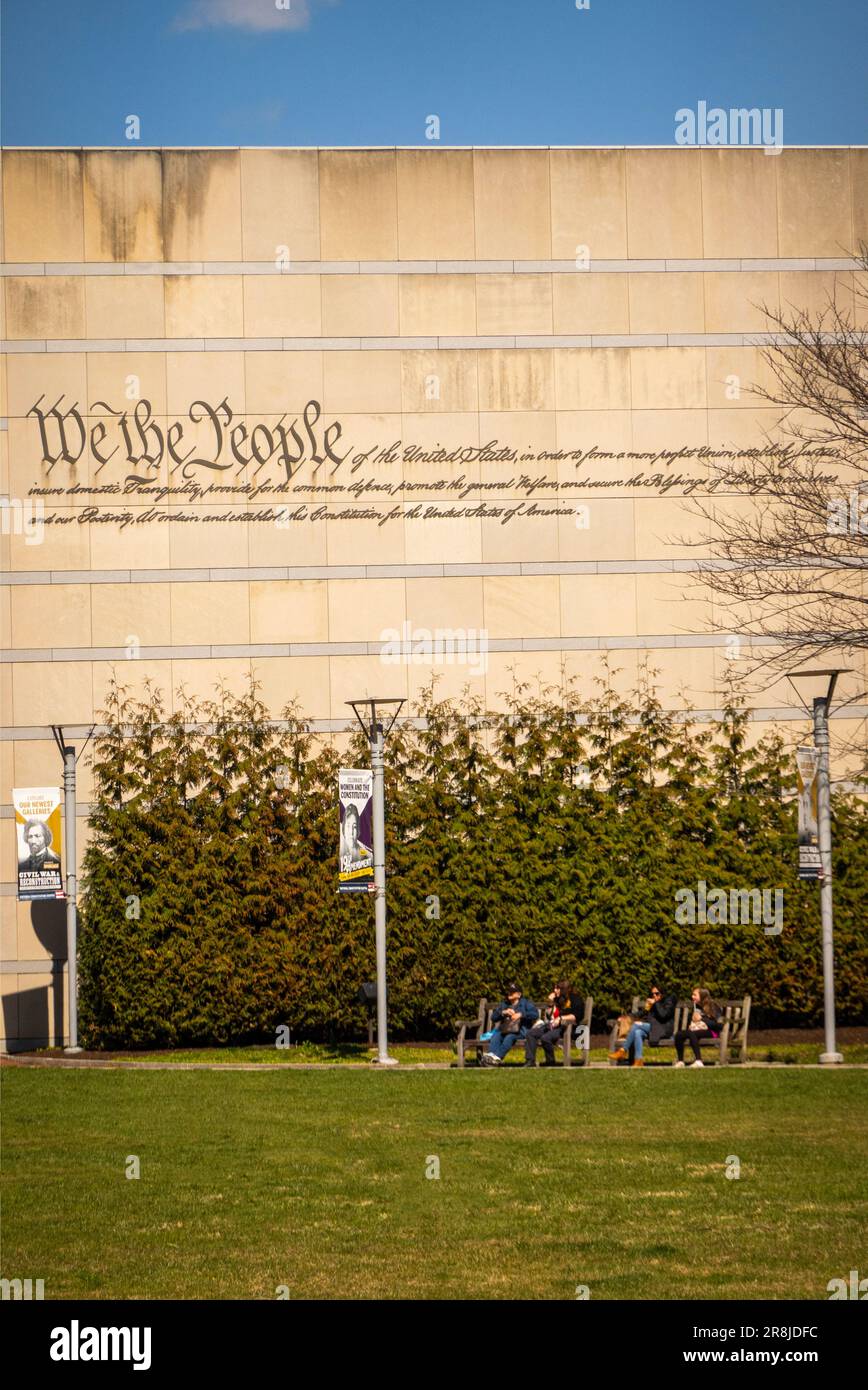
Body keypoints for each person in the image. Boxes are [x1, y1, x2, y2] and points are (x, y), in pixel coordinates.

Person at [608, 984, 676, 1067]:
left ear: (662, 993)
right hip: (653, 1029)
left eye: (657, 993)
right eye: (652, 994)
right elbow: (642, 1013)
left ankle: (623, 1050)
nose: (654, 995)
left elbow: (663, 1015)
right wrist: (627, 1017)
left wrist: (655, 1003)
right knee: (638, 1032)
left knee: (636, 1025)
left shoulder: (669, 1000)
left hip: (664, 1029)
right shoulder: (654, 1003)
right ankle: (638, 1060)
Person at [523, 979, 579, 1067]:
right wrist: (550, 1002)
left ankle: (550, 1061)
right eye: (555, 988)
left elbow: (575, 1016)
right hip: (552, 1026)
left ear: (564, 989)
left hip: (567, 1028)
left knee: (545, 1038)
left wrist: (560, 1018)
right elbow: (549, 1016)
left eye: (557, 988)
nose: (555, 990)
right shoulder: (558, 999)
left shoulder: (575, 999)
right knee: (531, 1033)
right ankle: (530, 1061)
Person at [482, 984, 539, 1066]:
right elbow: (493, 1018)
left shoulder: (525, 1003)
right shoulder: (505, 1004)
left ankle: (497, 1057)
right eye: (509, 991)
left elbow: (535, 1014)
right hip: (505, 1030)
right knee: (496, 1035)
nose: (509, 993)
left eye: (512, 992)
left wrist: (521, 1014)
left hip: (520, 1031)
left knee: (510, 1037)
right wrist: (503, 1012)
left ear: (519, 995)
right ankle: (491, 1058)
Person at [672, 987, 722, 1068]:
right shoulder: (697, 1007)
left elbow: (717, 1026)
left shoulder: (712, 1006)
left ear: (702, 996)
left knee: (692, 1034)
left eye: (695, 995)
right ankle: (680, 1061)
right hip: (697, 1031)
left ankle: (699, 1061)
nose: (692, 996)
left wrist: (702, 1019)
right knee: (679, 1034)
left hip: (712, 1032)